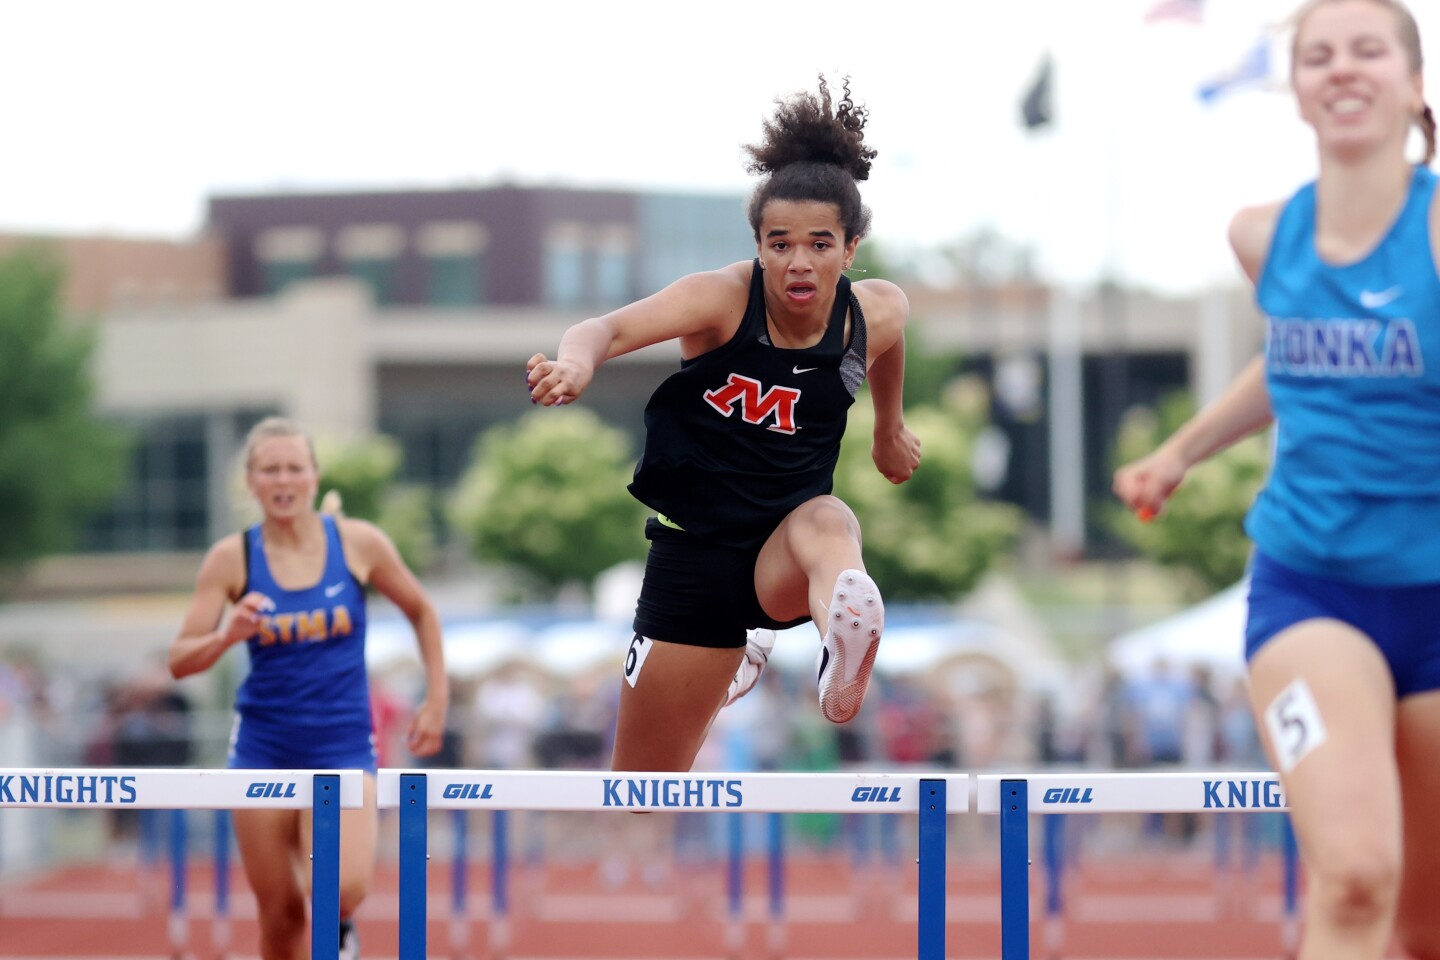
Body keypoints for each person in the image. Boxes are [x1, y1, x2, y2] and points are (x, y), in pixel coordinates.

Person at [1113, 2, 1440, 956]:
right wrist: (1179, 452)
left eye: (1369, 51)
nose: (1342, 69)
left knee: (1424, 927)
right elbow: (1297, 358)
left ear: (1414, 84)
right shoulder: (1262, 236)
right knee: (1355, 881)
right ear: (1296, 90)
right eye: (1319, 55)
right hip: (1312, 591)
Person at [526, 76, 920, 774]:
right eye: (780, 244)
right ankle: (749, 645)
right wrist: (576, 364)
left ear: (850, 249)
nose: (799, 262)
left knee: (829, 519)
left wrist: (889, 429)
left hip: (785, 552)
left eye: (820, 244)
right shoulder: (720, 299)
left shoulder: (876, 312)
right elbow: (605, 327)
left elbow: (888, 349)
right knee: (644, 789)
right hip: (695, 558)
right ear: (760, 246)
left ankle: (840, 652)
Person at [169, 417, 447, 960]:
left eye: (294, 467)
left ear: (314, 475)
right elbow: (180, 660)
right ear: (250, 481)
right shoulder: (232, 558)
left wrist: (436, 698)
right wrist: (228, 634)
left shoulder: (358, 543)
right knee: (280, 916)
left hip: (341, 742)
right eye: (270, 469)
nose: (283, 480)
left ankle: (340, 928)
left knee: (342, 889)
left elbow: (422, 609)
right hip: (262, 748)